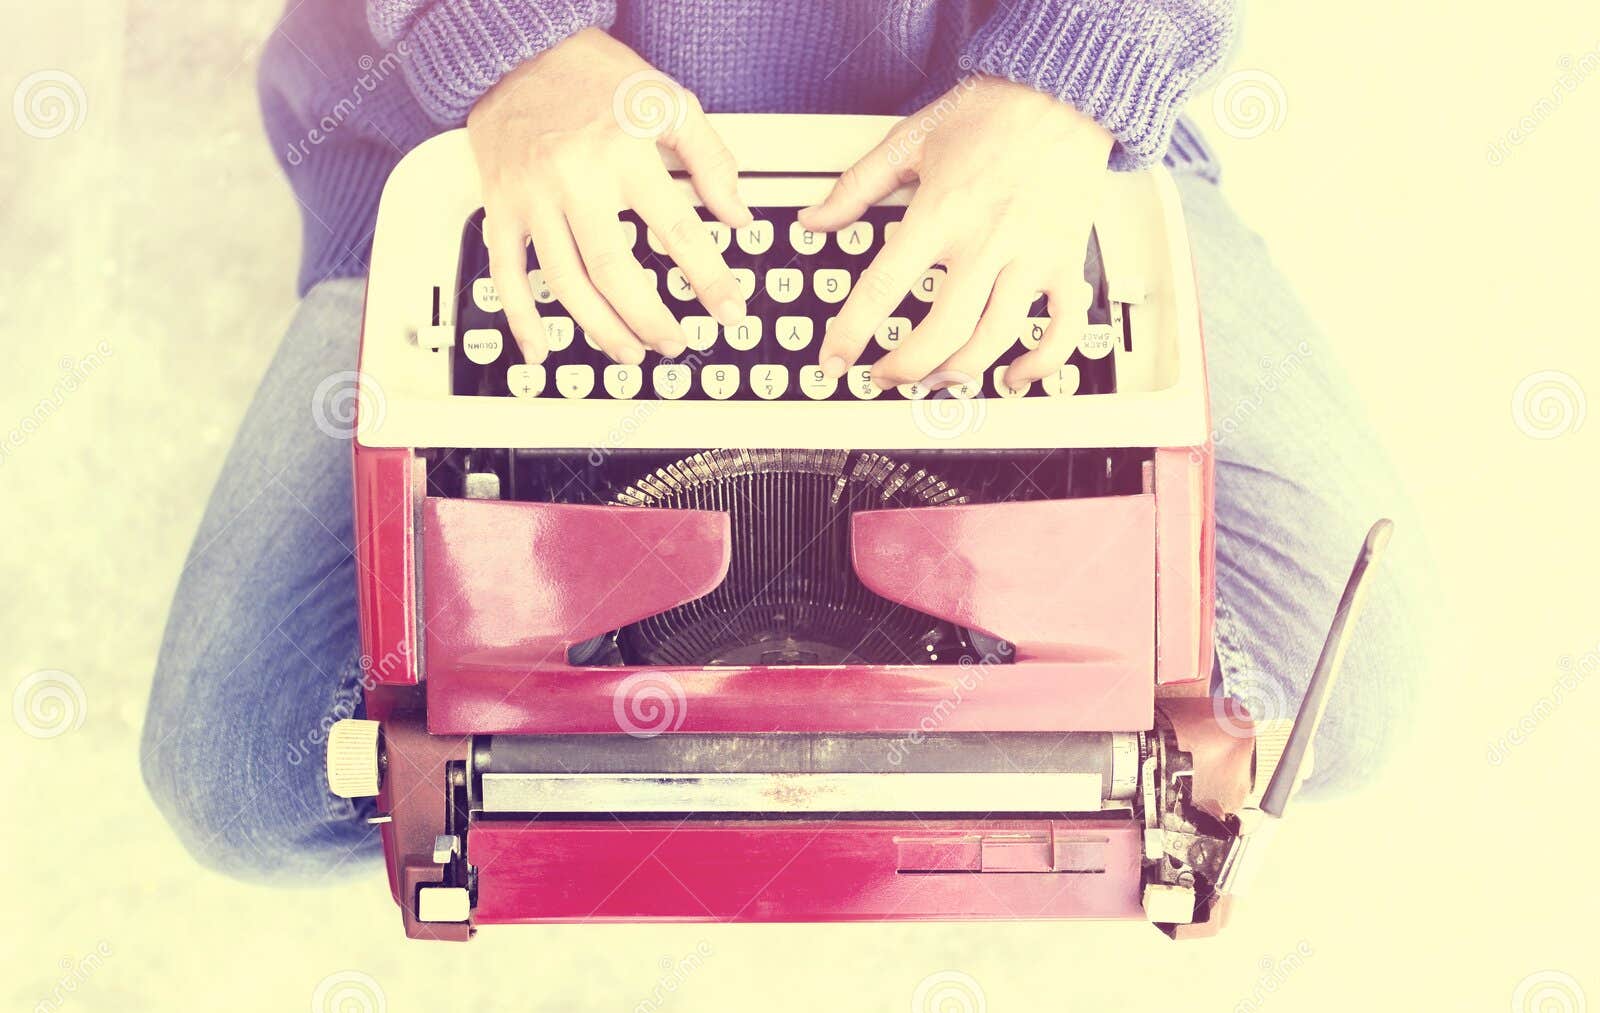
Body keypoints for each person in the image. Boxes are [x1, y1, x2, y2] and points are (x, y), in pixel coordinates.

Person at [141, 0, 1421, 882]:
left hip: (1014, 123)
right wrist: (506, 44)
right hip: (499, 125)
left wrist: (1073, 70)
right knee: (237, 773)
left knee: (1344, 698)